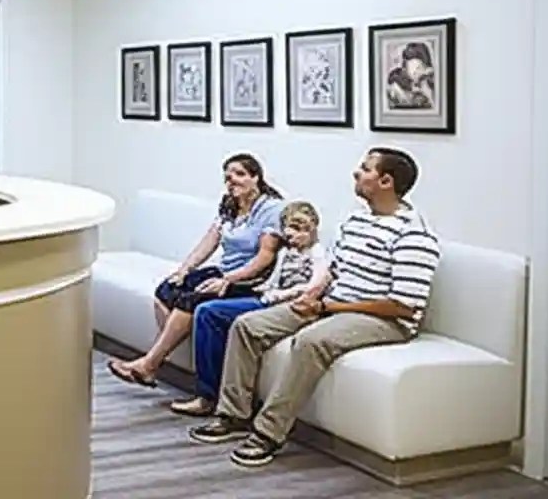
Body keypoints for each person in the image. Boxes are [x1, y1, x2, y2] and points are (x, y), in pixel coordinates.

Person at [188, 147, 440, 468]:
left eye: (365, 169)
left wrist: (328, 305)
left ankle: (269, 433)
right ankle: (233, 415)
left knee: (310, 342)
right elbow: (334, 268)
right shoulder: (356, 219)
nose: (356, 173)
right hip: (334, 302)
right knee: (247, 325)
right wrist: (313, 293)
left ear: (386, 181)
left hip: (381, 318)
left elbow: (404, 306)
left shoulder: (414, 234)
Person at [108, 153, 285, 387]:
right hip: (223, 271)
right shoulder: (230, 204)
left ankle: (149, 365)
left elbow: (265, 257)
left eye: (240, 174)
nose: (232, 181)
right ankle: (166, 354)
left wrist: (229, 279)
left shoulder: (271, 209)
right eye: (228, 177)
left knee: (190, 301)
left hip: (250, 280)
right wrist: (184, 269)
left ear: (256, 178)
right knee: (167, 290)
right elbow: (210, 240)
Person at [169, 200, 330, 417]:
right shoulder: (286, 252)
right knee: (206, 310)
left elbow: (315, 285)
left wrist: (280, 295)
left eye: (302, 229)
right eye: (290, 230)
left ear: (313, 229)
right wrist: (258, 289)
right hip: (267, 297)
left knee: (218, 316)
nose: (295, 235)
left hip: (285, 303)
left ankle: (215, 400)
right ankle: (208, 392)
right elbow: (274, 279)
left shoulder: (317, 253)